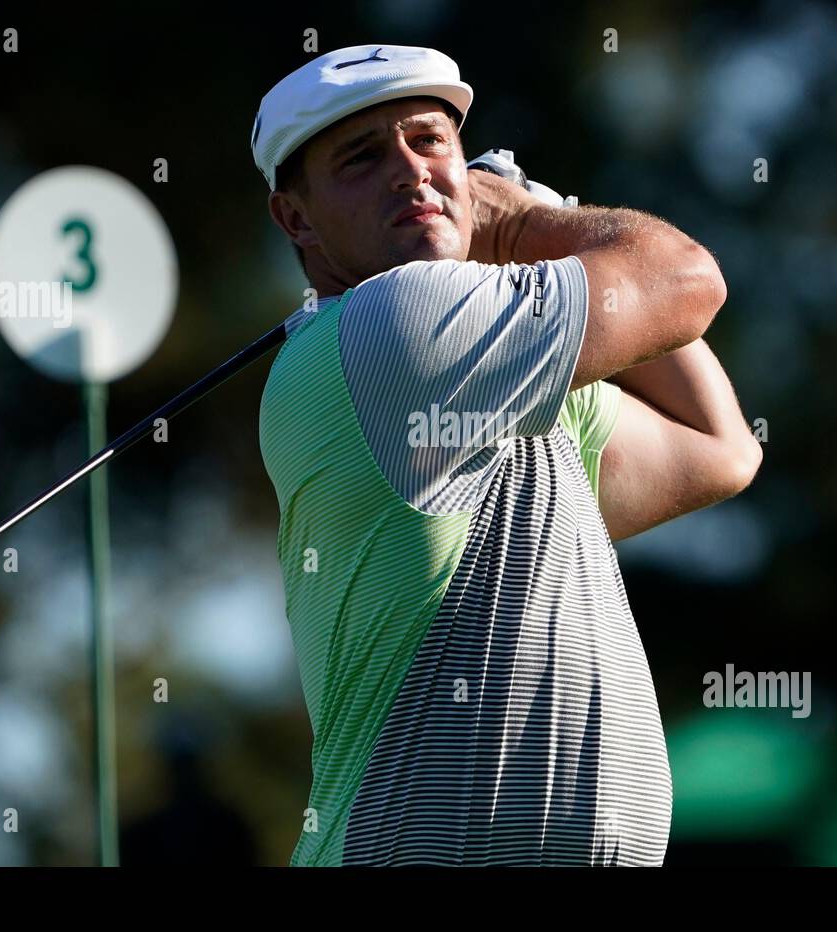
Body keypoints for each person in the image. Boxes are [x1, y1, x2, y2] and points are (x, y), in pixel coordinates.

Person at [252, 43, 761, 866]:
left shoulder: (497, 372)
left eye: (430, 141)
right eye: (361, 157)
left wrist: (529, 231)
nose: (411, 172)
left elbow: (719, 449)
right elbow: (687, 281)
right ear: (297, 219)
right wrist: (523, 220)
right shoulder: (393, 327)